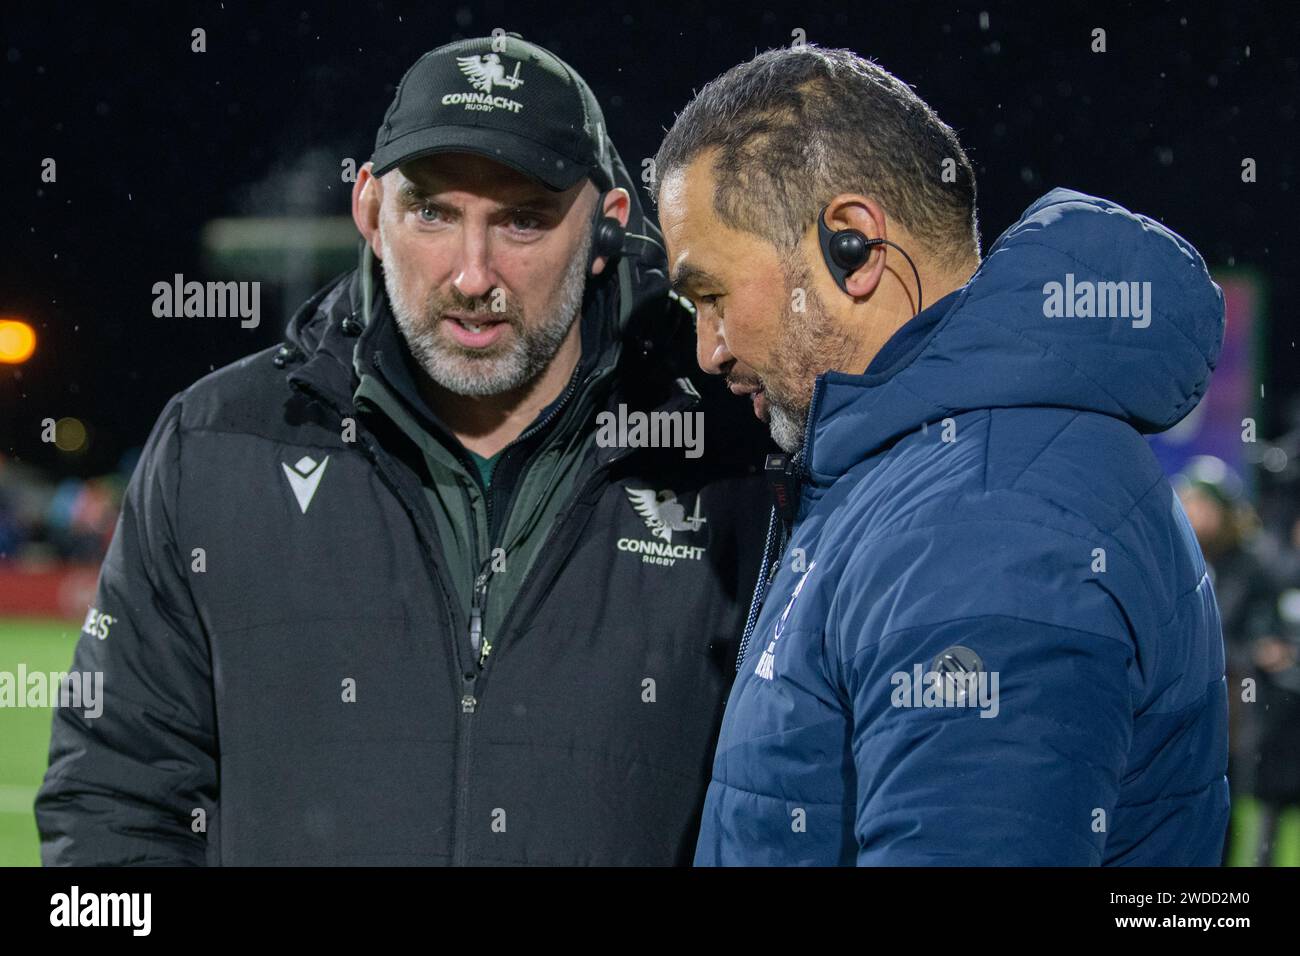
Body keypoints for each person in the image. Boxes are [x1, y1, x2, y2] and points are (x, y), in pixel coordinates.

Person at [36, 35, 771, 865]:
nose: (470, 273)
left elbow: (800, 808)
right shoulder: (217, 445)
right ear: (370, 211)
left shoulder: (733, 462)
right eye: (432, 212)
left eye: (523, 219)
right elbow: (113, 802)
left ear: (606, 229)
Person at [654, 44, 1229, 865]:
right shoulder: (927, 473)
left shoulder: (985, 514)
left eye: (710, 294)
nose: (708, 349)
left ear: (850, 245)